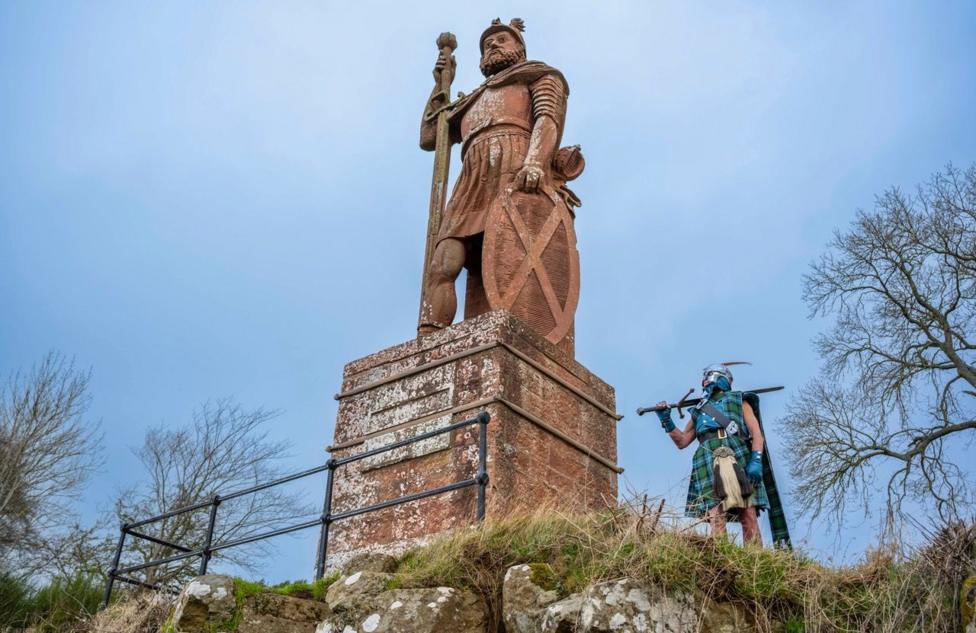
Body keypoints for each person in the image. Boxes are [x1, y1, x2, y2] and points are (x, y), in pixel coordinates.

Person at [417, 18, 570, 334]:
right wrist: (439, 87)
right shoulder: (469, 100)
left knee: (512, 252)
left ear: (520, 49)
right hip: (471, 177)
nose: (493, 45)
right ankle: (431, 334)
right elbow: (430, 136)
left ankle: (518, 324)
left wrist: (534, 163)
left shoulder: (539, 76)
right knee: (443, 261)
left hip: (514, 165)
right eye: (487, 43)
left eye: (502, 39)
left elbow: (547, 120)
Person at [655, 364, 769, 544]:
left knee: (748, 512)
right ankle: (722, 559)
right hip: (707, 457)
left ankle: (756, 561)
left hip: (737, 452)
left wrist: (755, 460)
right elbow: (683, 441)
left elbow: (756, 434)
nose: (704, 381)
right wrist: (666, 421)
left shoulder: (739, 400)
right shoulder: (699, 410)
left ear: (721, 378)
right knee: (715, 513)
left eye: (708, 376)